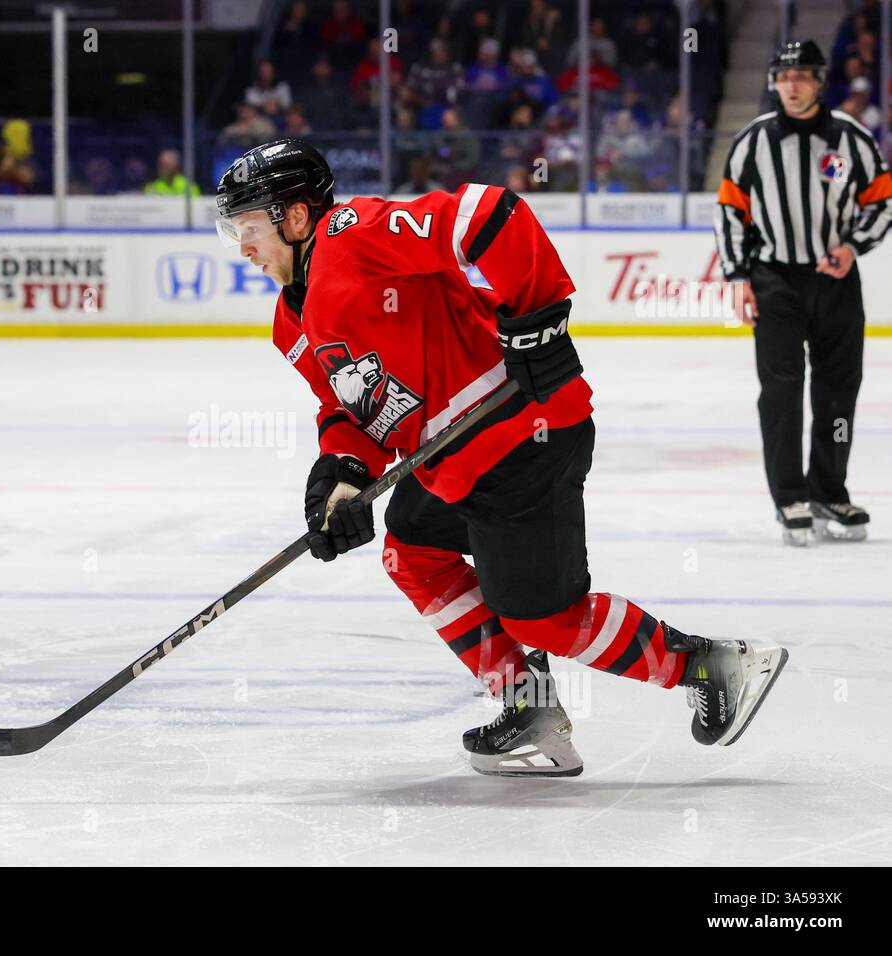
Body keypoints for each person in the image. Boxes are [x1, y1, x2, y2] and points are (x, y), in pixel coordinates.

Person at [215, 138, 788, 777]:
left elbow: (490, 214)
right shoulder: (288, 323)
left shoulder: (354, 235)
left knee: (543, 620)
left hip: (521, 434)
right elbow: (350, 409)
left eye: (249, 225)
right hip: (454, 460)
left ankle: (713, 665)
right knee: (413, 550)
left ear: (296, 218)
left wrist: (538, 320)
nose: (242, 246)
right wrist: (342, 477)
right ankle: (528, 702)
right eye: (233, 229)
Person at [715, 40, 888, 544]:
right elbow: (730, 211)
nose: (791, 85)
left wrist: (853, 247)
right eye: (783, 76)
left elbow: (882, 201)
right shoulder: (753, 141)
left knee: (839, 387)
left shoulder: (852, 139)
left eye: (801, 76)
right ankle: (790, 496)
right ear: (775, 82)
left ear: (818, 80)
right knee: (782, 391)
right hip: (774, 281)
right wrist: (737, 278)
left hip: (835, 280)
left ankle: (829, 491)